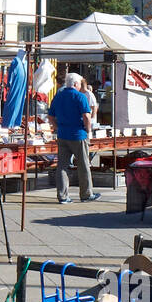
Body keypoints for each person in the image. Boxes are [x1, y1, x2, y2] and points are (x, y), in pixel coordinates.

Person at [49, 73, 99, 204]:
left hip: (63, 134)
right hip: (78, 134)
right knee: (83, 165)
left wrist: (57, 127)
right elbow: (87, 117)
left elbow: (50, 116)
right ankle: (86, 194)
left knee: (62, 166)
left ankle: (62, 195)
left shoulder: (58, 96)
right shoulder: (80, 96)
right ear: (76, 84)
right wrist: (87, 130)